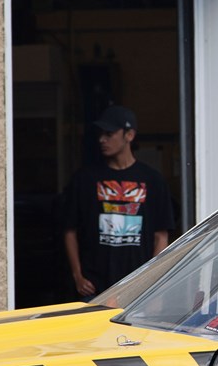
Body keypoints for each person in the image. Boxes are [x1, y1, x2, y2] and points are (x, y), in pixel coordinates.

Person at [60, 105, 174, 300]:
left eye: (109, 133)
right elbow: (69, 230)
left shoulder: (153, 180)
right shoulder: (85, 178)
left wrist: (149, 280)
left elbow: (161, 236)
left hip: (137, 290)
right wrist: (77, 276)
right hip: (93, 287)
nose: (102, 139)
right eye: (100, 134)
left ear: (129, 135)